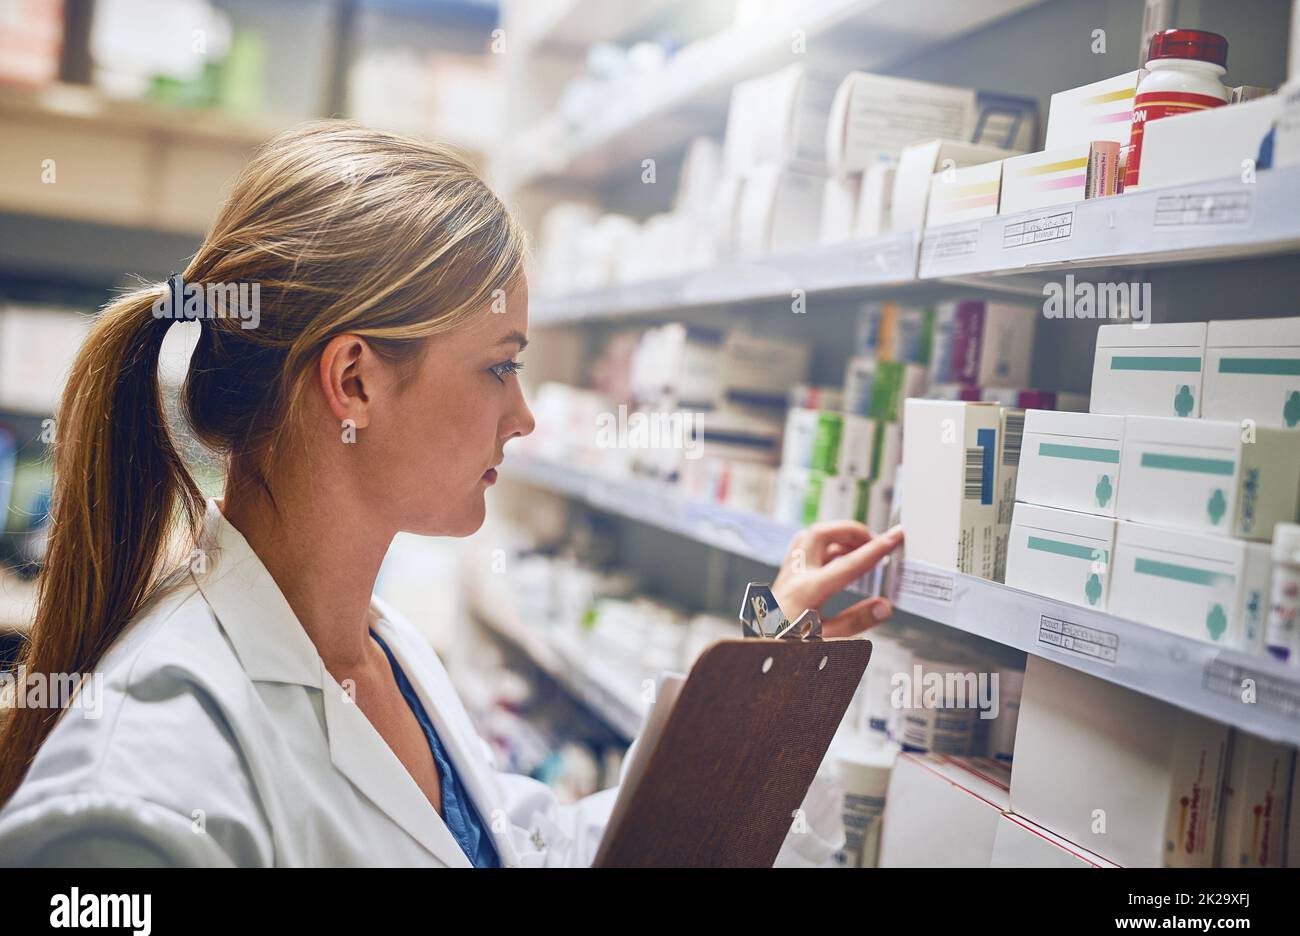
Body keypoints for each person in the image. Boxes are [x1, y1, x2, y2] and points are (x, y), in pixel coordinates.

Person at [0, 122, 903, 866]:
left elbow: (519, 851)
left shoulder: (382, 653)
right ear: (353, 382)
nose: (525, 416)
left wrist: (764, 654)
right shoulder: (147, 779)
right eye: (500, 367)